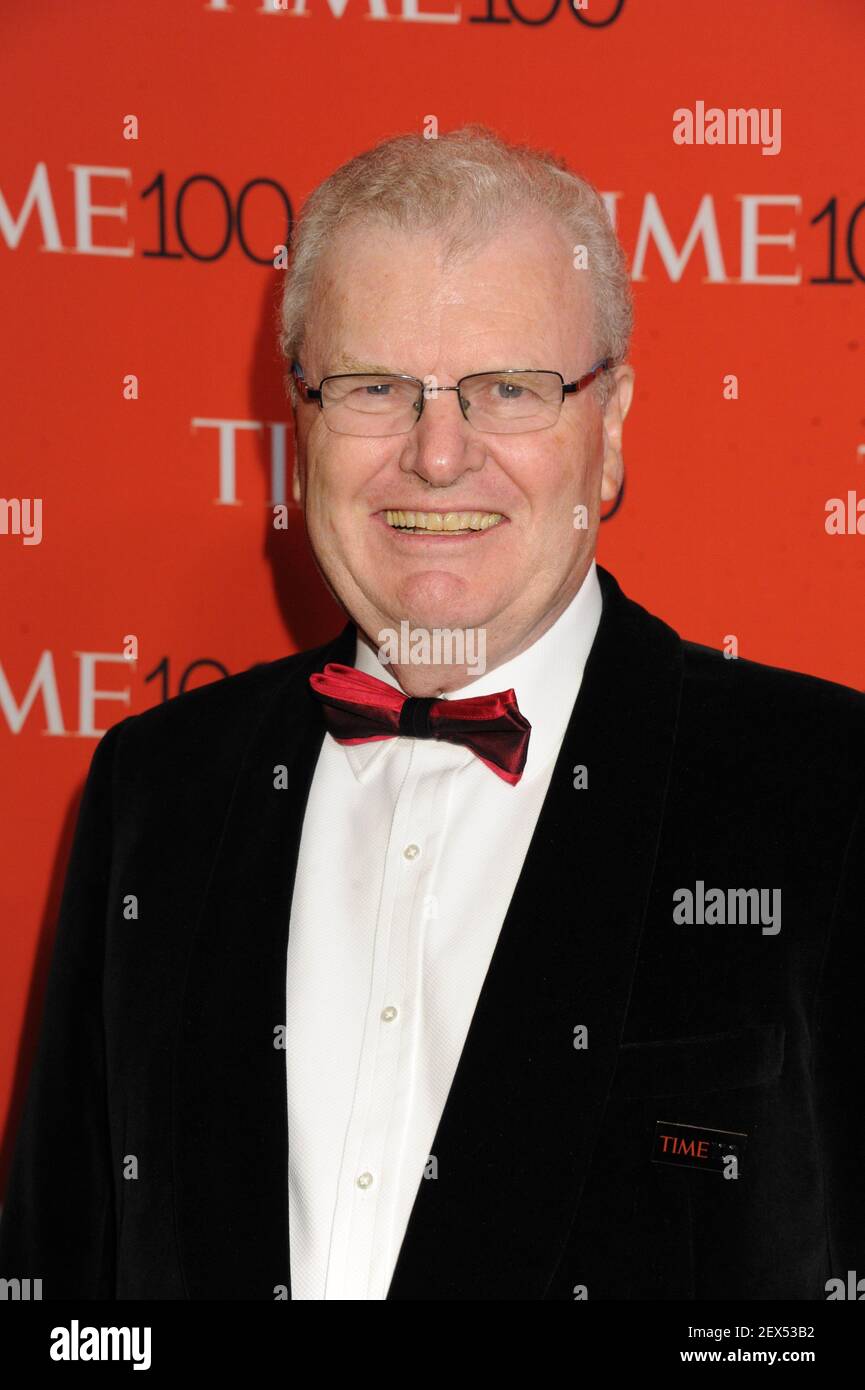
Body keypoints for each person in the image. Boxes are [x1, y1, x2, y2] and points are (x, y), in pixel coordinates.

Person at [1, 125, 863, 1301]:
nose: (438, 453)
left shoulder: (826, 790)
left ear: (606, 434)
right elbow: (62, 1285)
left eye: (507, 388)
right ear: (294, 428)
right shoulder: (157, 792)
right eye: (372, 389)